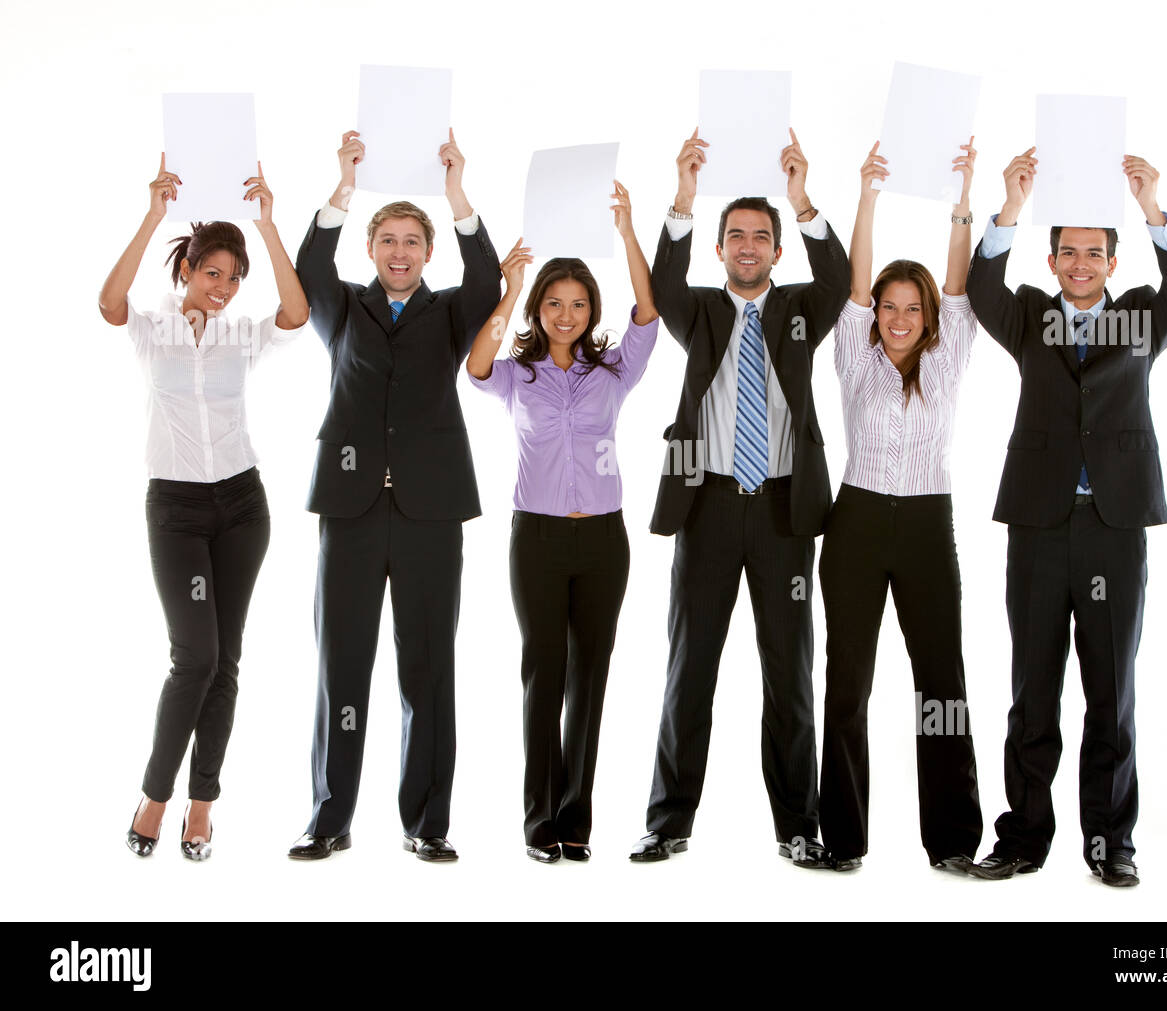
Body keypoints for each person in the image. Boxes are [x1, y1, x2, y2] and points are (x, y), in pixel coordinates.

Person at [965, 148, 1167, 886]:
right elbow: (980, 286)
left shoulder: (1140, 319)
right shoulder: (1030, 316)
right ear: (1052, 254)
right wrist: (1008, 203)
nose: (1079, 264)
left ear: (1112, 259)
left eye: (1093, 253)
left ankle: (1110, 841)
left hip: (1113, 525)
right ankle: (1023, 837)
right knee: (1033, 689)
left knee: (1111, 689)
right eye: (1067, 251)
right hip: (1037, 527)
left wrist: (1154, 206)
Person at [629, 128, 850, 867]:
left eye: (761, 236)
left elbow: (840, 280)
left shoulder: (799, 309)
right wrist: (684, 197)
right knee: (690, 667)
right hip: (710, 505)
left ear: (777, 250)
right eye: (736, 236)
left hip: (786, 510)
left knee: (789, 671)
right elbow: (657, 290)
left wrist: (802, 200)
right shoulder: (699, 311)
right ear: (720, 249)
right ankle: (668, 820)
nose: (748, 245)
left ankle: (799, 826)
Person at [287, 129, 501, 862]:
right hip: (350, 510)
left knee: (428, 667)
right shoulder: (341, 307)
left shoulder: (449, 312)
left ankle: (427, 821)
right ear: (372, 248)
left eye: (413, 241)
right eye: (389, 240)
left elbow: (490, 282)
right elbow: (307, 262)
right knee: (341, 665)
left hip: (431, 512)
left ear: (427, 251)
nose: (401, 251)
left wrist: (457, 194)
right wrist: (344, 183)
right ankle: (328, 815)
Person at [101, 154, 309, 860]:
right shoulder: (152, 330)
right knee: (195, 654)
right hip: (178, 512)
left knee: (226, 661)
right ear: (187, 268)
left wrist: (269, 226)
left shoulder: (241, 334)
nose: (221, 288)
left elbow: (298, 311)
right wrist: (154, 215)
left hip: (244, 507)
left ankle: (203, 803)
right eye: (211, 272)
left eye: (232, 277)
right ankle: (154, 795)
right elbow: (108, 302)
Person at [467, 182, 659, 863]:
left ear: (589, 310)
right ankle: (538, 820)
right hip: (539, 539)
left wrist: (630, 232)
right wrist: (511, 286)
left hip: (605, 539)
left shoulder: (613, 371)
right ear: (540, 308)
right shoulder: (516, 375)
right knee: (543, 671)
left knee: (592, 673)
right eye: (554, 302)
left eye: (578, 304)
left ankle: (576, 820)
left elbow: (648, 312)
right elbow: (477, 361)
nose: (567, 313)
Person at [818, 140, 983, 873]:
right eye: (890, 305)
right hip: (853, 520)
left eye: (912, 308)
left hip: (924, 524)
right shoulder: (856, 351)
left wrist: (963, 197)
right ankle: (843, 840)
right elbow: (855, 282)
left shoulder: (949, 356)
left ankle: (951, 840)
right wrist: (867, 198)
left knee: (940, 679)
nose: (900, 316)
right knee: (846, 678)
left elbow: (957, 283)